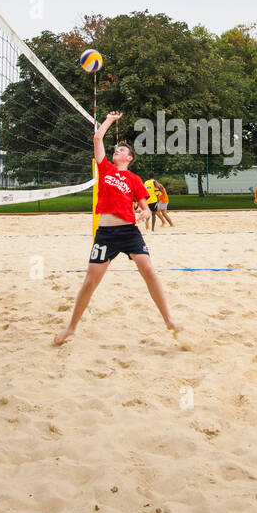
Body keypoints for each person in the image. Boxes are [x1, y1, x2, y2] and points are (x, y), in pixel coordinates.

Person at [54, 112, 176, 345]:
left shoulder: (135, 180)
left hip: (129, 231)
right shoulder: (106, 169)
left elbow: (146, 207)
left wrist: (145, 212)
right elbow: (97, 139)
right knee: (90, 282)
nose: (116, 152)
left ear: (129, 158)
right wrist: (110, 120)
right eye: (116, 150)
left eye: (121, 151)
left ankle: (169, 320)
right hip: (106, 234)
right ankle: (71, 328)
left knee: (148, 270)